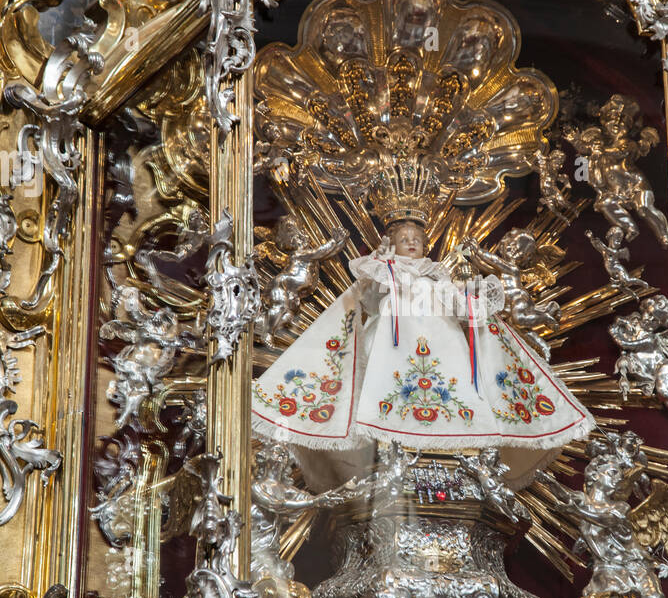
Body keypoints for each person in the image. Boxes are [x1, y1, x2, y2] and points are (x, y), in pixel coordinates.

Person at [252, 203, 594, 493]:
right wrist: (381, 267)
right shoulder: (385, 273)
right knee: (381, 388)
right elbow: (369, 300)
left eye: (416, 239)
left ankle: (457, 448)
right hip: (392, 349)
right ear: (393, 245)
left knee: (457, 387)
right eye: (404, 240)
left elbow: (458, 305)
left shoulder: (437, 278)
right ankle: (392, 448)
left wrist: (474, 302)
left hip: (441, 346)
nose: (411, 244)